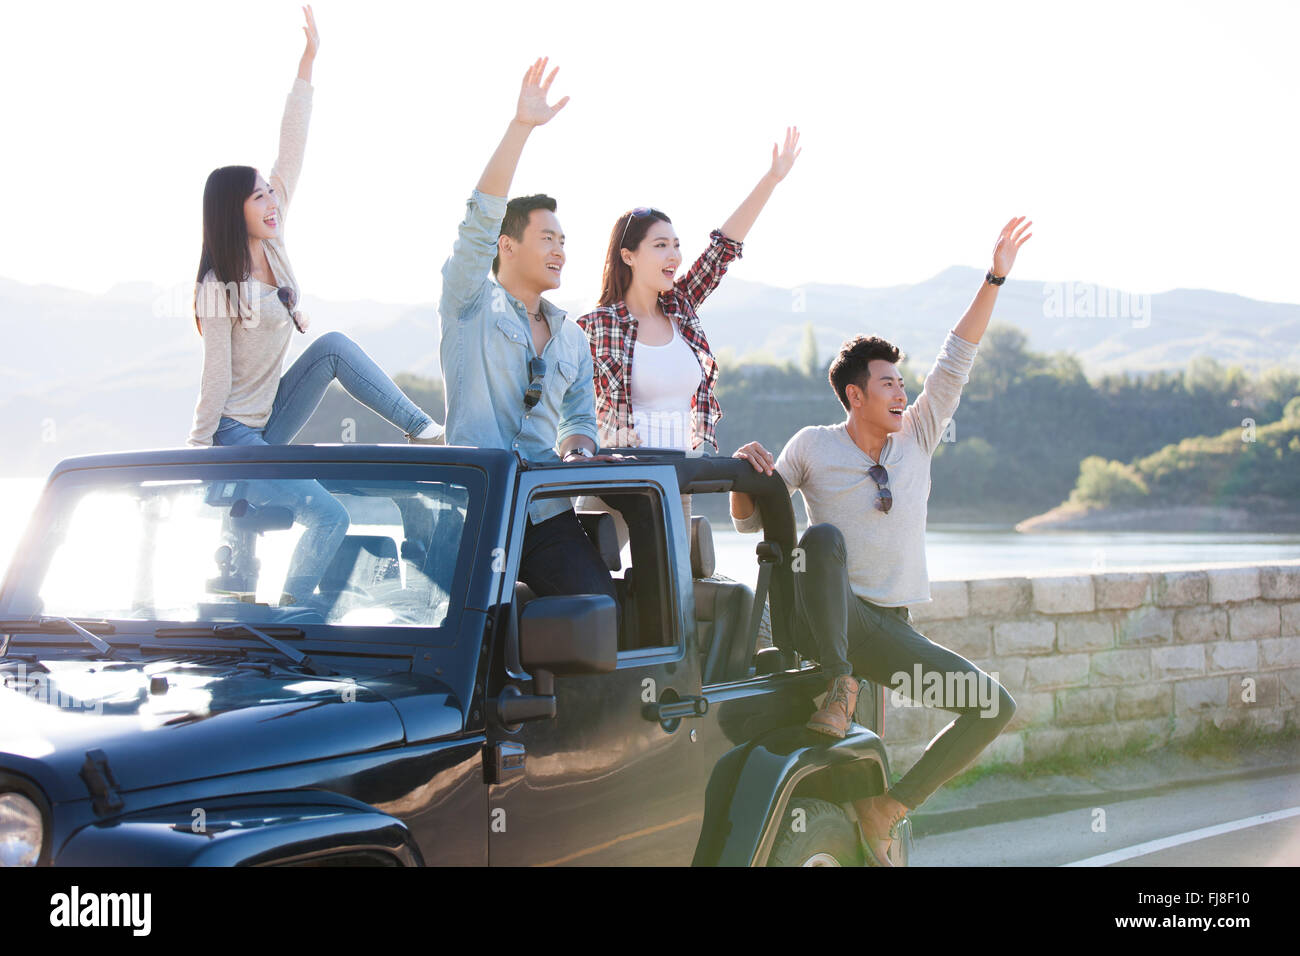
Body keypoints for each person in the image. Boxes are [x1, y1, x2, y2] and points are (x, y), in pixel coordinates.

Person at [729, 217, 1034, 866]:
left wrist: (995, 276)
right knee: (825, 539)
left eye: (901, 382)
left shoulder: (918, 436)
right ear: (854, 395)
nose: (902, 390)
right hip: (824, 621)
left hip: (886, 630)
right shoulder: (813, 445)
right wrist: (743, 479)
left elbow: (957, 357)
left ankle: (886, 807)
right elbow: (751, 520)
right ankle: (839, 686)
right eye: (888, 383)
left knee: (991, 705)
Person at [185, 6, 442, 605]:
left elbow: (290, 149)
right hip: (231, 433)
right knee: (329, 517)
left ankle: (420, 429)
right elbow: (214, 378)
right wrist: (196, 462)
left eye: (271, 193)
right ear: (233, 210)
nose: (272, 199)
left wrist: (307, 67)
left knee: (331, 348)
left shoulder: (273, 243)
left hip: (269, 419)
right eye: (259, 196)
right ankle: (293, 612)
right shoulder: (218, 285)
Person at [438, 57, 619, 617]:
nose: (561, 249)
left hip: (545, 511)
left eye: (564, 239)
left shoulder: (573, 338)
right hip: (474, 512)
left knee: (601, 613)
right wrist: (521, 128)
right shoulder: (469, 303)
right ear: (506, 246)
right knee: (478, 636)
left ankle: (558, 707)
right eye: (547, 237)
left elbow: (580, 423)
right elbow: (476, 222)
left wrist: (579, 452)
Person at [575, 130, 801, 542]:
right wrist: (590, 445)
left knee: (668, 598)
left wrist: (771, 179)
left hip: (677, 476)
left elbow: (722, 249)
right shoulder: (596, 324)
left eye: (676, 245)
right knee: (591, 584)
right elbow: (566, 402)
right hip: (613, 483)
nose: (674, 256)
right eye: (661, 245)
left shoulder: (681, 308)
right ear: (628, 255)